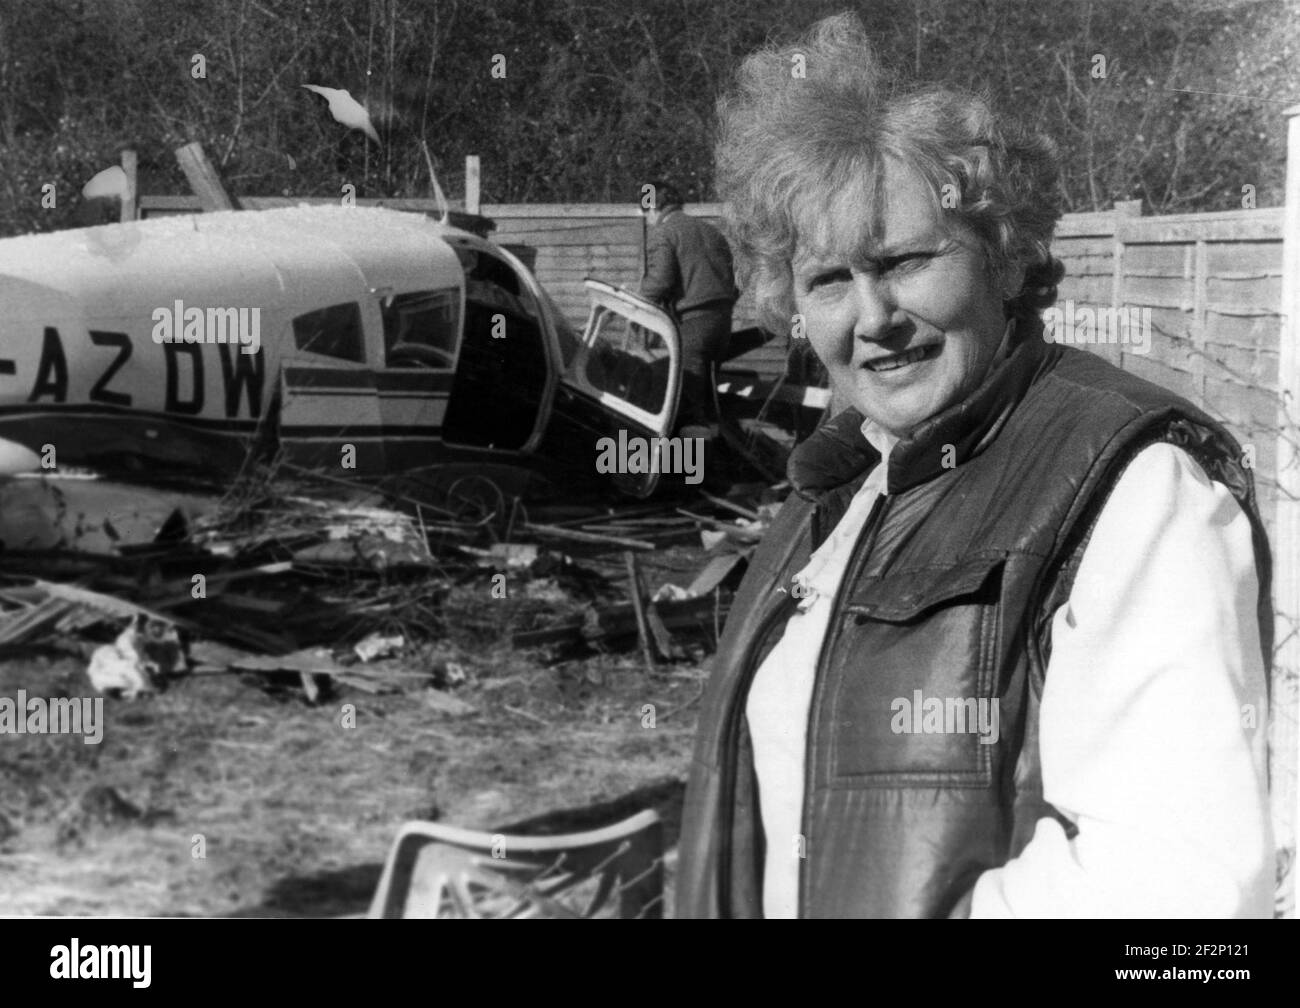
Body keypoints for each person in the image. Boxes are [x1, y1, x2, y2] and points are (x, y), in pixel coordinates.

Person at [676, 13, 1275, 919]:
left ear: (1002, 258)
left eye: (906, 261)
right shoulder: (836, 492)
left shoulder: (1135, 486)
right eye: (829, 280)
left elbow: (1180, 893)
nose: (872, 317)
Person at [639, 179, 739, 430]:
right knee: (707, 400)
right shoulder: (712, 231)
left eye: (645, 210)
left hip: (693, 327)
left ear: (653, 208)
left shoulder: (665, 233)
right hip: (722, 325)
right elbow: (736, 281)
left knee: (689, 409)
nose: (645, 218)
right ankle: (713, 456)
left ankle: (695, 467)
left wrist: (637, 306)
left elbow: (660, 281)